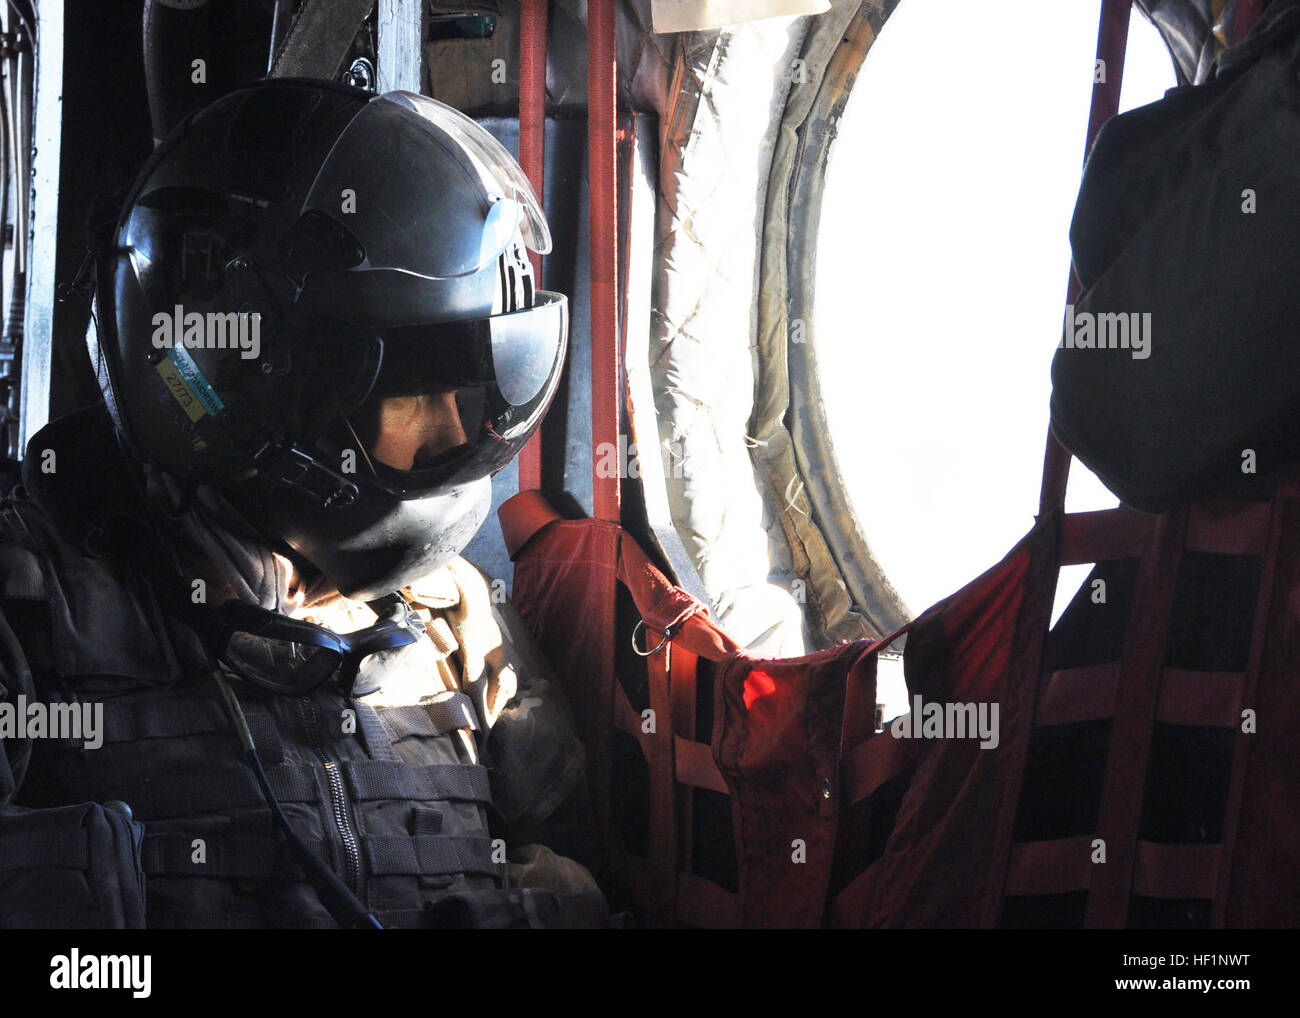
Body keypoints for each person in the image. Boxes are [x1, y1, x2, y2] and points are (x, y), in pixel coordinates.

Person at [0, 78, 608, 929]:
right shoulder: (29, 613)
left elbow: (578, 884)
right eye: (413, 398)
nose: (453, 436)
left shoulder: (456, 618)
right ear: (244, 393)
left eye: (471, 398)